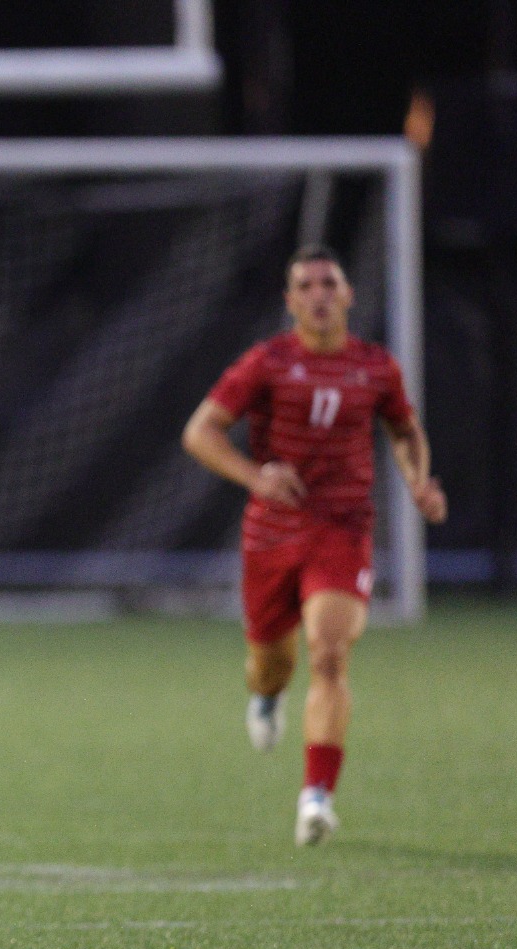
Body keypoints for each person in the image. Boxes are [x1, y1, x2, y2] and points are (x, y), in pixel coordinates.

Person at [181, 244, 445, 846]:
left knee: (329, 654)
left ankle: (316, 797)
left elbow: (405, 431)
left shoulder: (376, 367)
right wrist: (256, 477)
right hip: (273, 534)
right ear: (290, 300)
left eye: (330, 283)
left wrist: (418, 481)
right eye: (306, 285)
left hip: (342, 529)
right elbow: (199, 432)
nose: (319, 294)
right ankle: (266, 698)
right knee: (270, 665)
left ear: (349, 295)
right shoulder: (267, 362)